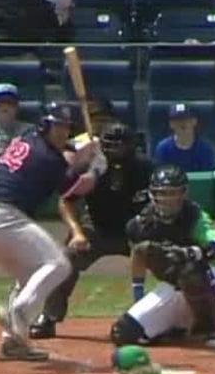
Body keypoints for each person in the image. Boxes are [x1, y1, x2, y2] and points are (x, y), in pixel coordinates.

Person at [0, 101, 101, 361]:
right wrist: (97, 166)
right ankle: (19, 312)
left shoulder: (28, 137)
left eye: (66, 127)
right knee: (59, 265)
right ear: (45, 125)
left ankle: (13, 342)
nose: (63, 132)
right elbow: (74, 189)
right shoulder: (48, 158)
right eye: (57, 126)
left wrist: (87, 144)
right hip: (5, 218)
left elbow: (66, 149)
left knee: (31, 278)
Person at [32, 122, 152, 339]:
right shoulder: (90, 167)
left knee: (171, 256)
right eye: (110, 145)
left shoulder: (145, 169)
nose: (115, 150)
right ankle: (49, 317)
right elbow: (65, 201)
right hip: (96, 228)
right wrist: (77, 232)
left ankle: (180, 318)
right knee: (64, 261)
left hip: (135, 229)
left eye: (120, 146)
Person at [115, 165, 215, 348]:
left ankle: (210, 325)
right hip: (171, 286)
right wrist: (138, 296)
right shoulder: (140, 225)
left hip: (211, 283)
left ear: (183, 193)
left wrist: (191, 252)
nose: (168, 199)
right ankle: (176, 324)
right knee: (123, 334)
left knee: (190, 268)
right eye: (163, 193)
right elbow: (139, 254)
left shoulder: (193, 215)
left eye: (174, 193)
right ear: (153, 194)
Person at [151, 102, 215, 174]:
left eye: (185, 119)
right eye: (177, 120)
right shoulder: (163, 148)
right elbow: (161, 177)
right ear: (171, 124)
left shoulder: (206, 148)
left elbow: (208, 177)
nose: (182, 123)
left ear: (194, 121)